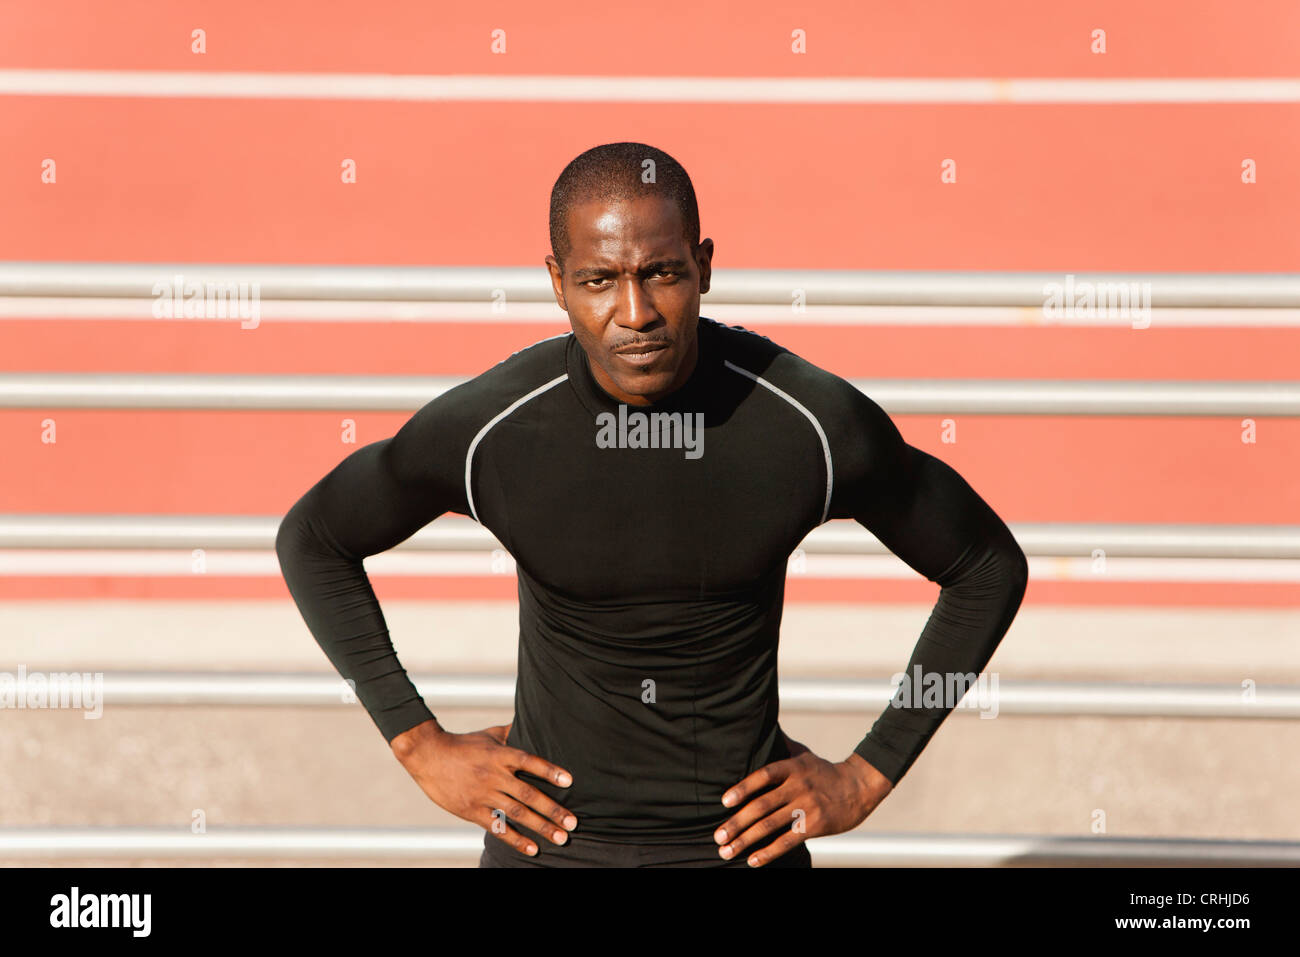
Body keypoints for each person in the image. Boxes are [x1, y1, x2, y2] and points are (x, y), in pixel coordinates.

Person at [275, 141, 1029, 868]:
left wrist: (868, 774)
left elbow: (985, 566)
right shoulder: (496, 428)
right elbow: (314, 536)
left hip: (744, 854)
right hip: (547, 855)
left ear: (703, 265)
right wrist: (416, 739)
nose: (635, 312)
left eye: (661, 272)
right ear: (556, 281)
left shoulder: (807, 423)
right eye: (598, 280)